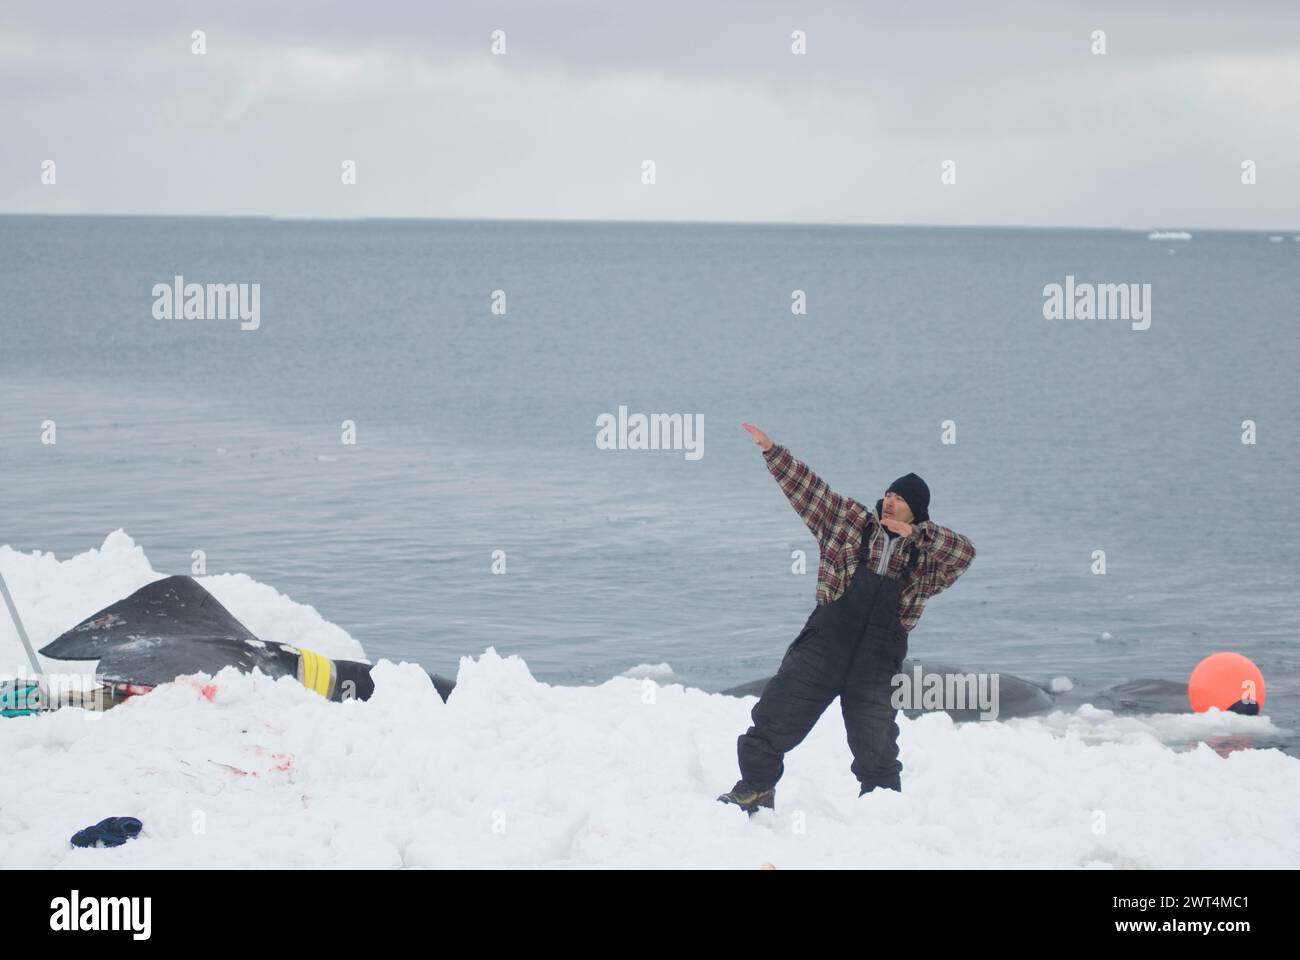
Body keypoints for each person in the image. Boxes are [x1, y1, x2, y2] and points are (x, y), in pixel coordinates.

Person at [718, 422, 976, 814]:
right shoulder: (849, 522)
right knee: (772, 718)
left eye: (900, 499)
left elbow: (965, 553)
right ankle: (755, 788)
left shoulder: (926, 559)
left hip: (875, 665)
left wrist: (918, 535)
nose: (889, 501)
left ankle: (882, 814)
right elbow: (809, 490)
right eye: (888, 494)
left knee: (877, 747)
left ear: (916, 511)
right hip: (823, 649)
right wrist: (773, 452)